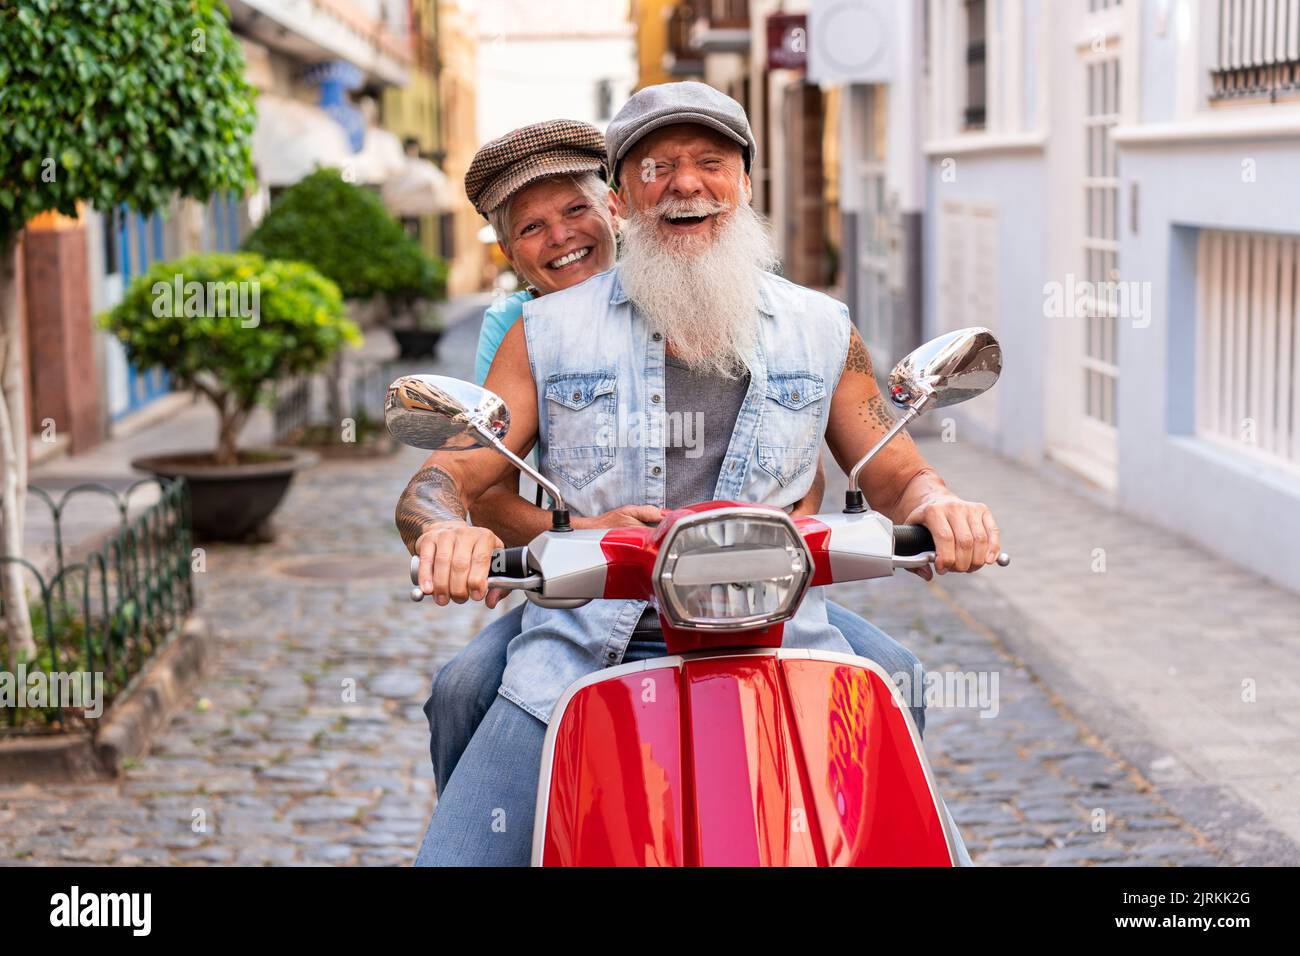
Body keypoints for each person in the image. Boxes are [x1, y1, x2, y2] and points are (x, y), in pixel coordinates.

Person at [400, 84, 1000, 866]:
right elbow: (444, 479)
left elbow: (896, 469)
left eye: (710, 163)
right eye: (657, 167)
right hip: (587, 646)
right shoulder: (544, 334)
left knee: (912, 817)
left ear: (745, 183)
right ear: (624, 197)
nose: (685, 184)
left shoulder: (823, 329)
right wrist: (445, 529)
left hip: (787, 638)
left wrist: (941, 503)